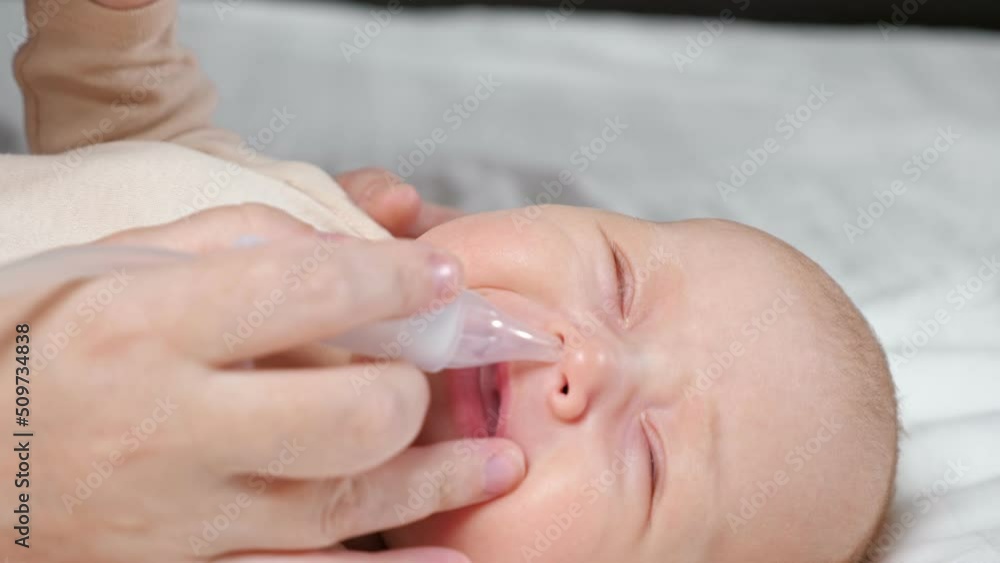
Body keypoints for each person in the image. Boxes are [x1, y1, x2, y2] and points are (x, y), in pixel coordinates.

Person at [3, 0, 899, 562]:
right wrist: (109, 29)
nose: (581, 362)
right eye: (620, 283)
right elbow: (124, 136)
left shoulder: (256, 534)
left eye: (653, 465)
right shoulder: (317, 226)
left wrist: (29, 498)